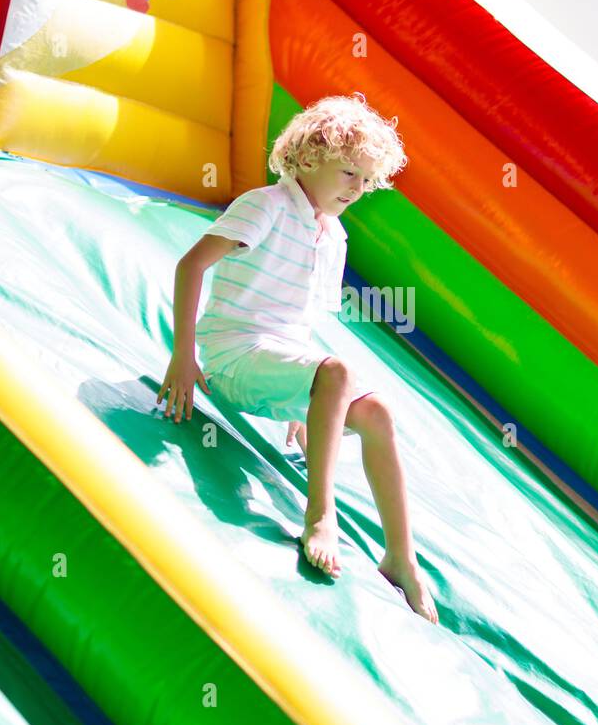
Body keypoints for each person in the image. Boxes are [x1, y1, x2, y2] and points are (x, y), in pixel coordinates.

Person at [158, 93, 438, 623]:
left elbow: (301, 320)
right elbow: (190, 266)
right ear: (309, 159)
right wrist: (183, 355)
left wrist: (302, 403)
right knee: (337, 369)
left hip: (281, 361)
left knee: (377, 414)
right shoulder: (266, 207)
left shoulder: (333, 234)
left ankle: (401, 557)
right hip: (233, 357)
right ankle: (319, 516)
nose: (358, 189)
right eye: (349, 172)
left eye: (366, 180)